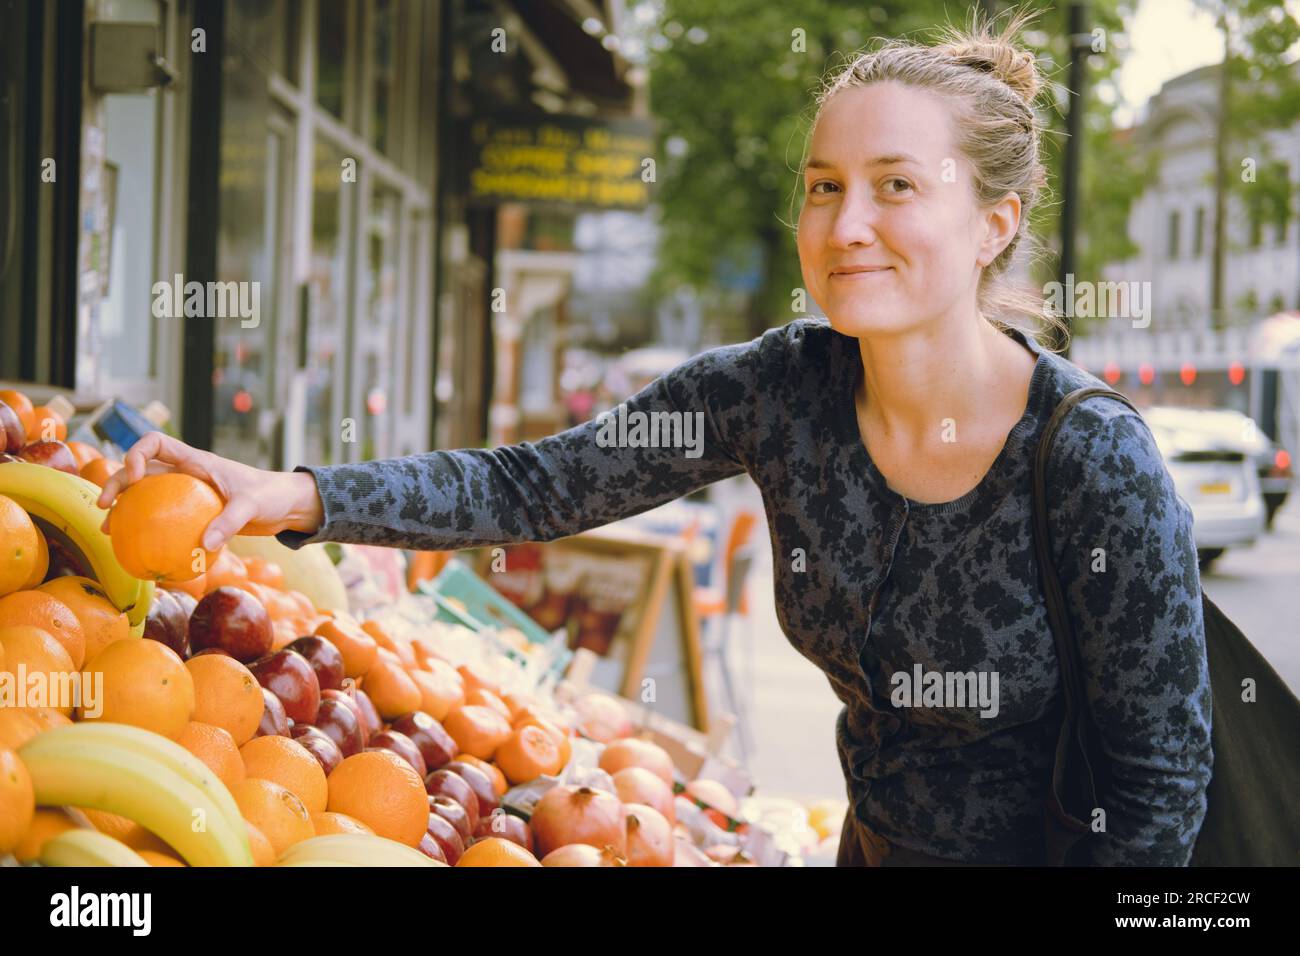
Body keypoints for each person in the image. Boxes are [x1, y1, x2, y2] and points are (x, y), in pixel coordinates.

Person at [99, 11, 1211, 866]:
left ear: (995, 224)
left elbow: (1159, 789)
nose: (845, 224)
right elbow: (537, 485)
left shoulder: (1088, 457)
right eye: (823, 187)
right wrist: (293, 492)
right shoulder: (780, 388)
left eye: (896, 187)